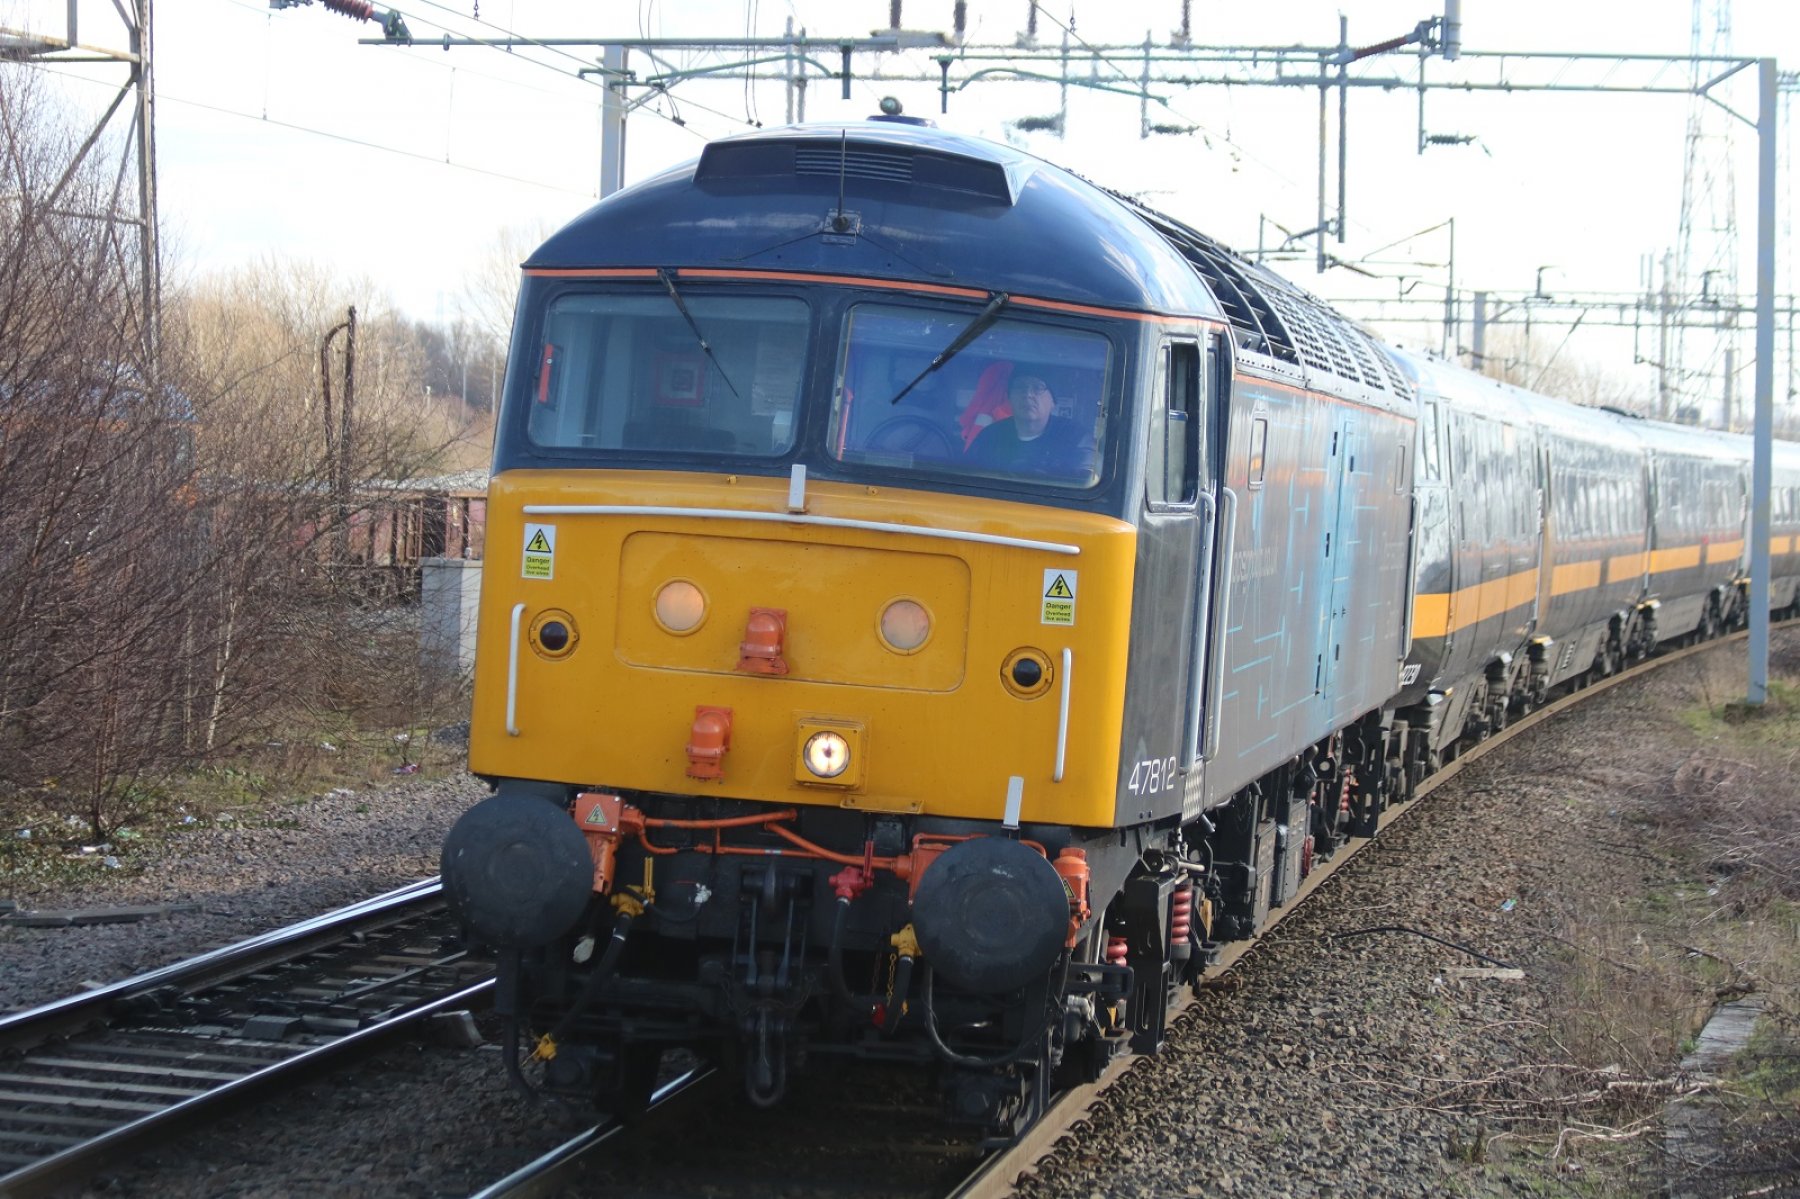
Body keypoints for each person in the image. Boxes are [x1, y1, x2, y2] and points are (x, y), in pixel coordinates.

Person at [966, 373, 1090, 478]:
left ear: (1053, 401)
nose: (1028, 394)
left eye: (1037, 388)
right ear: (1009, 399)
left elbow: (1086, 481)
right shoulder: (989, 437)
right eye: (1020, 387)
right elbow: (967, 478)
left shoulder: (1076, 437)